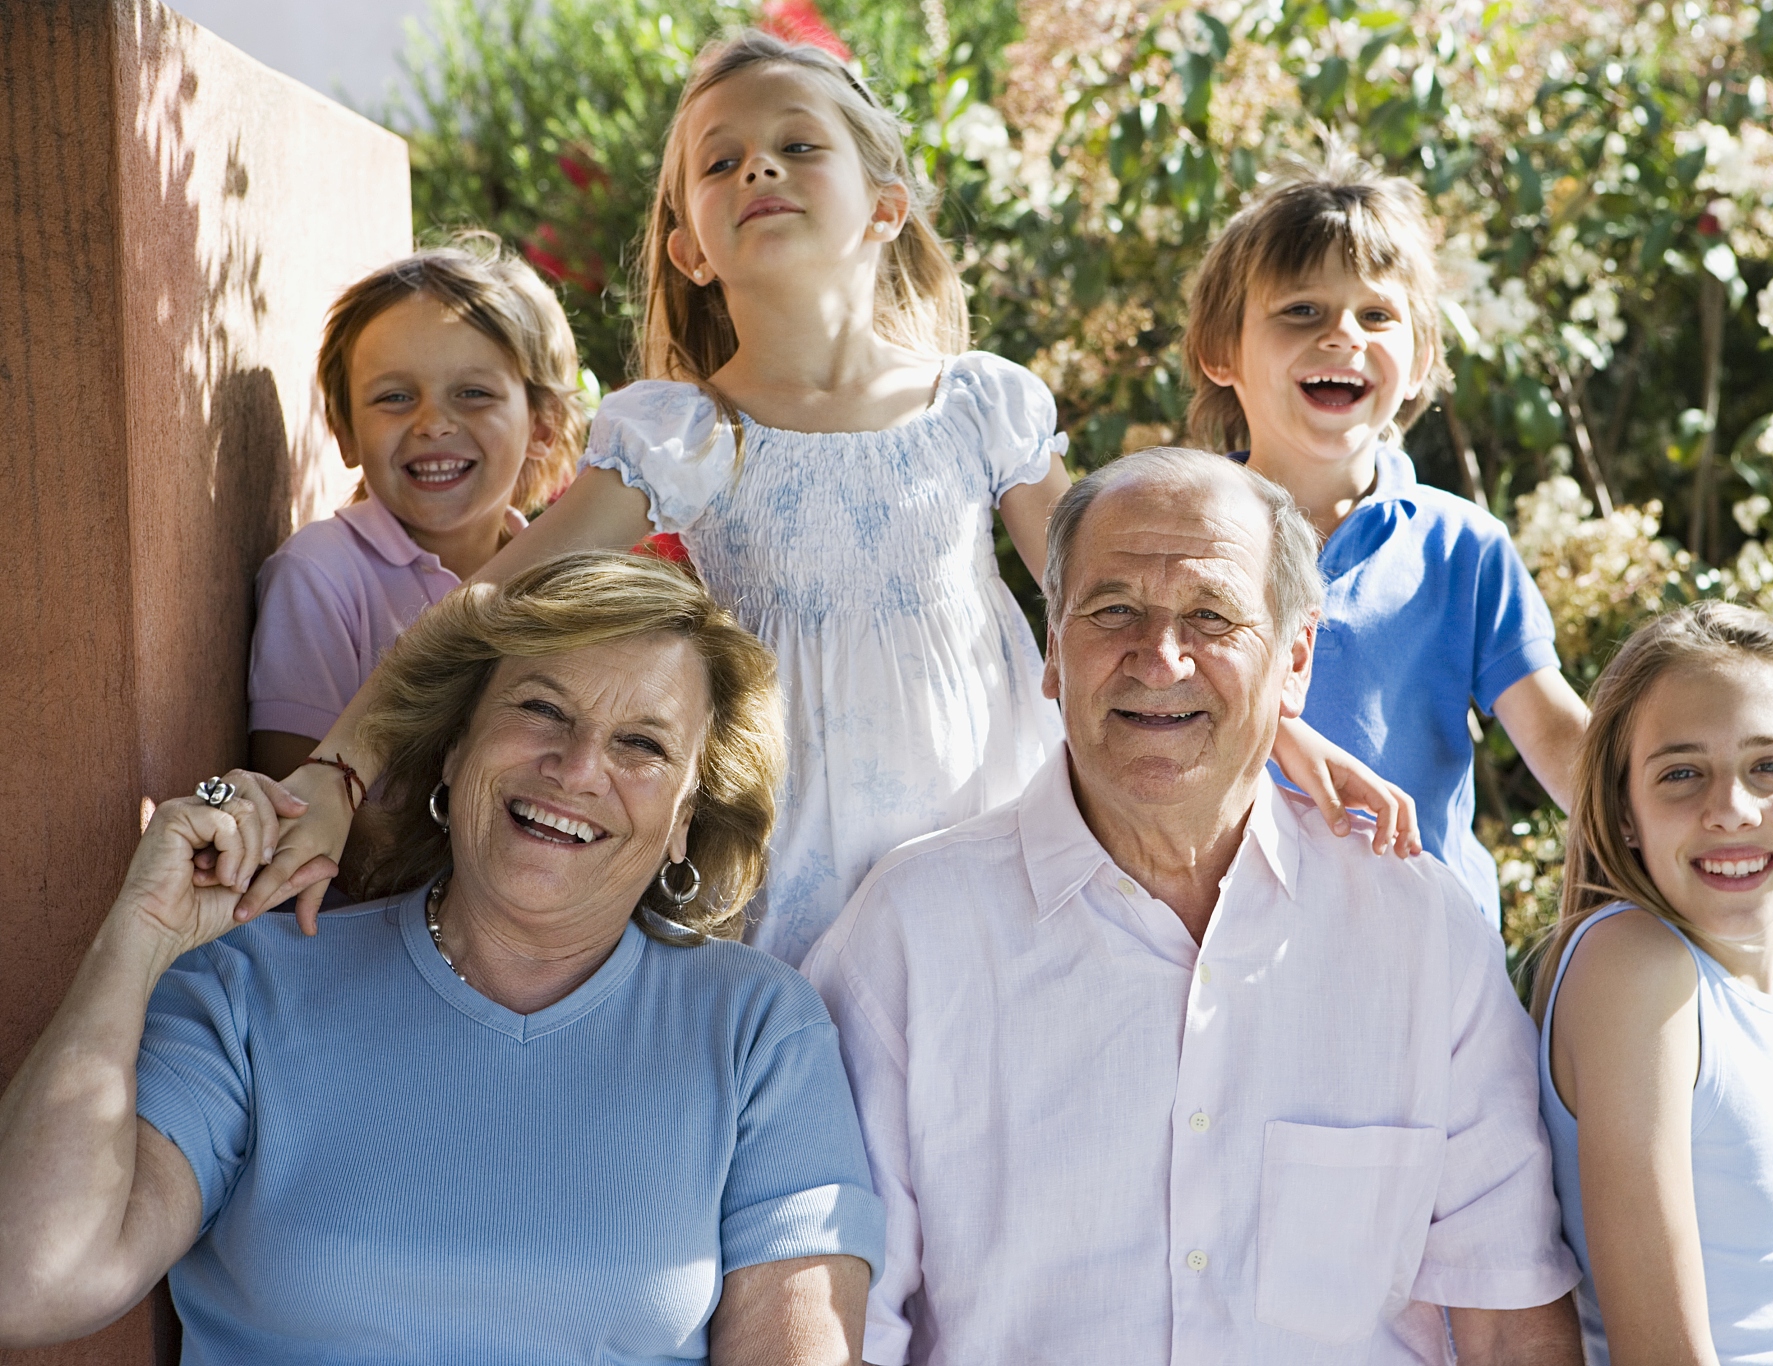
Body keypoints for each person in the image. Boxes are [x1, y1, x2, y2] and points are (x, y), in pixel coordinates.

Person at [240, 31, 1411, 966]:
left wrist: (1279, 741)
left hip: (990, 860)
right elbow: (469, 614)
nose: (757, 166)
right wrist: (335, 777)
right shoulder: (683, 435)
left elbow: (1118, 616)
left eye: (798, 146)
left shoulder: (976, 410)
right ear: (691, 246)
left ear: (885, 204)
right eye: (719, 159)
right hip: (782, 882)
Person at [0, 551, 882, 1363]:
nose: (576, 769)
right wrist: (137, 935)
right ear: (454, 749)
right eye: (541, 709)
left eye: (642, 745)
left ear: (685, 817)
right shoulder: (252, 985)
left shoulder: (759, 1028)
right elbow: (32, 1284)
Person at [804, 448, 1583, 1365]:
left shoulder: (1419, 931)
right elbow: (845, 1328)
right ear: (1052, 650)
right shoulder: (909, 938)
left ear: (1294, 661)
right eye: (1114, 611)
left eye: (1211, 616)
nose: (1160, 657)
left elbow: (1506, 1314)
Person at [1182, 153, 1589, 925]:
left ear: (1419, 364)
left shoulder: (1463, 548)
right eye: (1301, 310)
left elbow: (1562, 743)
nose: (1342, 334)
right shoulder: (1180, 538)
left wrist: (1681, 816)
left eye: (1377, 315)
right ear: (1221, 352)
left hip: (1425, 951)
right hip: (1234, 945)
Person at [1532, 601, 1773, 1364]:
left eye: (1769, 766)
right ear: (1625, 811)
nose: (1731, 808)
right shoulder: (1636, 967)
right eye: (1681, 774)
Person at [248, 233, 585, 781]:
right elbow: (295, 795)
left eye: (473, 393)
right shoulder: (319, 575)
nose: (433, 423)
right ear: (346, 433)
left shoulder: (561, 580)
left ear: (541, 426)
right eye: (395, 397)